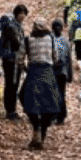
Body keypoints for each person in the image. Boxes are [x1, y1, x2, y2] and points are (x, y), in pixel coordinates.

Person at [20, 20, 62, 150]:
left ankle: (36, 129)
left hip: (33, 73)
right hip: (48, 73)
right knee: (50, 102)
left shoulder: (27, 40)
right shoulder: (51, 39)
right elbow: (56, 57)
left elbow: (19, 59)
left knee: (25, 97)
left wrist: (26, 69)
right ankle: (42, 133)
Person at [0, 4, 29, 120]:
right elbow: (17, 44)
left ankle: (12, 110)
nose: (22, 16)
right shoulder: (12, 27)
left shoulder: (18, 25)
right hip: (10, 60)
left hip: (14, 59)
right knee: (11, 85)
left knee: (14, 85)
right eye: (20, 13)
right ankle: (10, 111)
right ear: (16, 14)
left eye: (24, 13)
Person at [50, 19, 73, 124]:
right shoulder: (49, 38)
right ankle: (52, 115)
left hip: (62, 71)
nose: (58, 29)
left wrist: (70, 73)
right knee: (51, 93)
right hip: (51, 70)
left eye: (60, 27)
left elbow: (69, 58)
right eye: (56, 27)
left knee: (61, 94)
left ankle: (61, 116)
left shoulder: (65, 41)